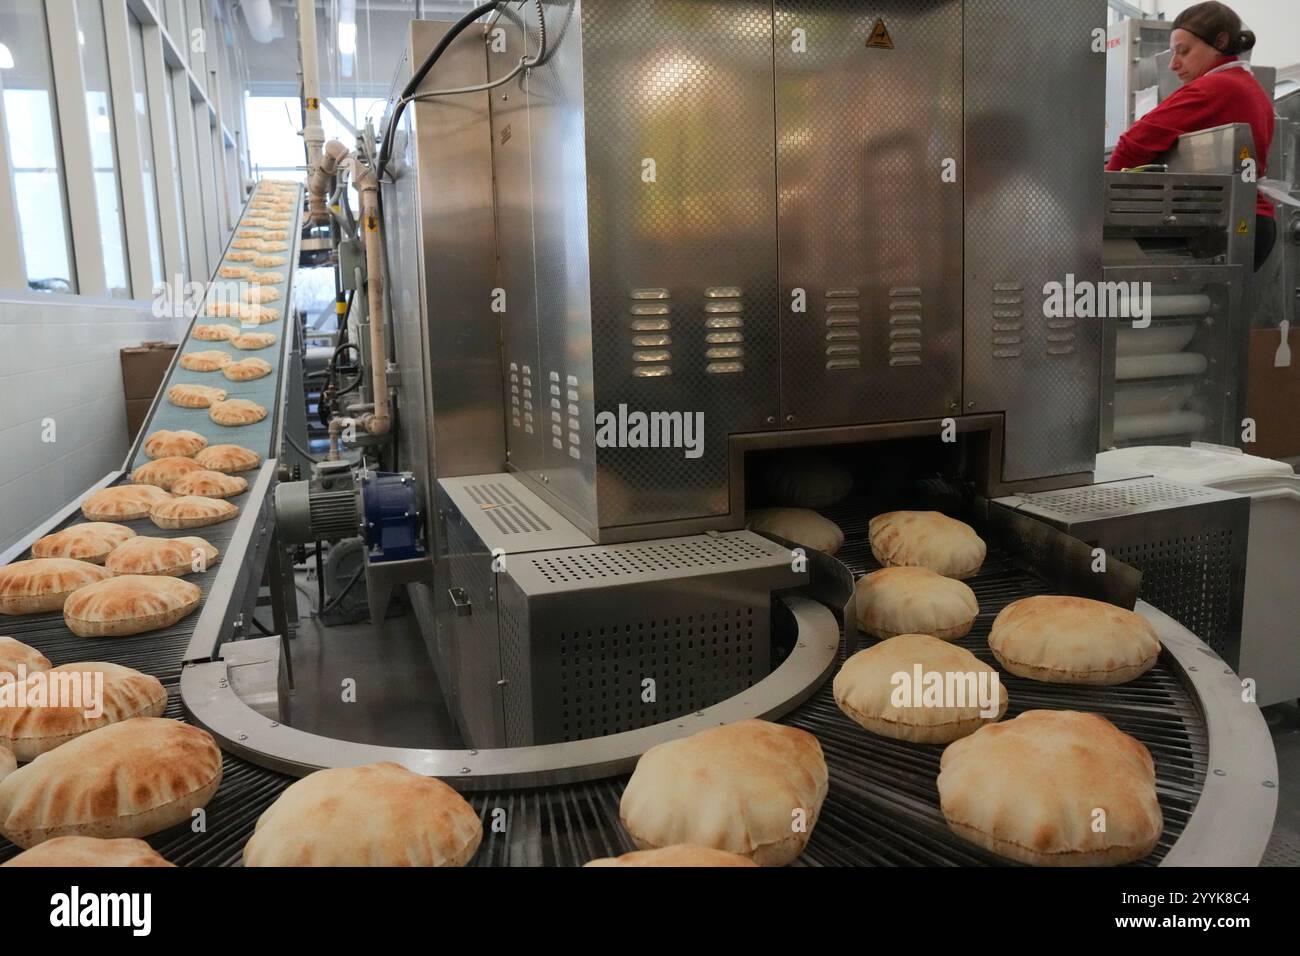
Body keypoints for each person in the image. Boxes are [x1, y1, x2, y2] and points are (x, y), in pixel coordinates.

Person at [1107, 2, 1276, 270]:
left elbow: (1134, 142)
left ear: (1220, 42)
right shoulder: (1249, 87)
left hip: (1223, 226)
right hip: (1250, 222)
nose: (1174, 64)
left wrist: (1102, 206)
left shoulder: (1217, 86)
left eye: (1183, 52)